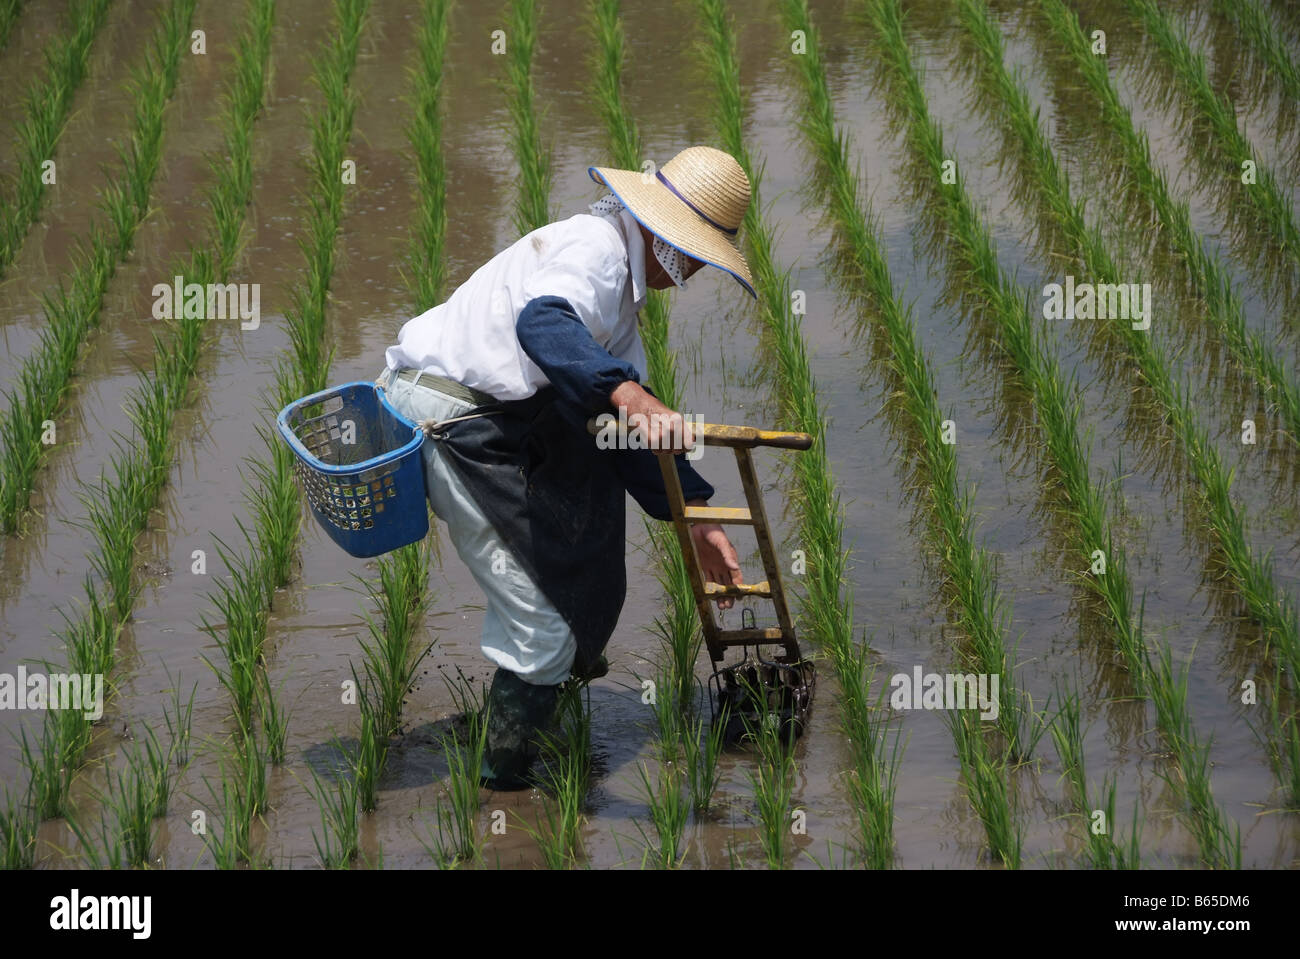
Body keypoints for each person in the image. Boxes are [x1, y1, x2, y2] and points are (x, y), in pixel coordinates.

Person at [377, 145, 757, 788]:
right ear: (667, 236)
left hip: (495, 418)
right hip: (448, 417)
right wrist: (631, 394)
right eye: (695, 256)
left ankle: (533, 705)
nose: (691, 274)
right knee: (542, 621)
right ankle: (505, 789)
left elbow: (620, 432)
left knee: (591, 515)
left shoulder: (620, 304)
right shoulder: (596, 252)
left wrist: (694, 515)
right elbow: (543, 324)